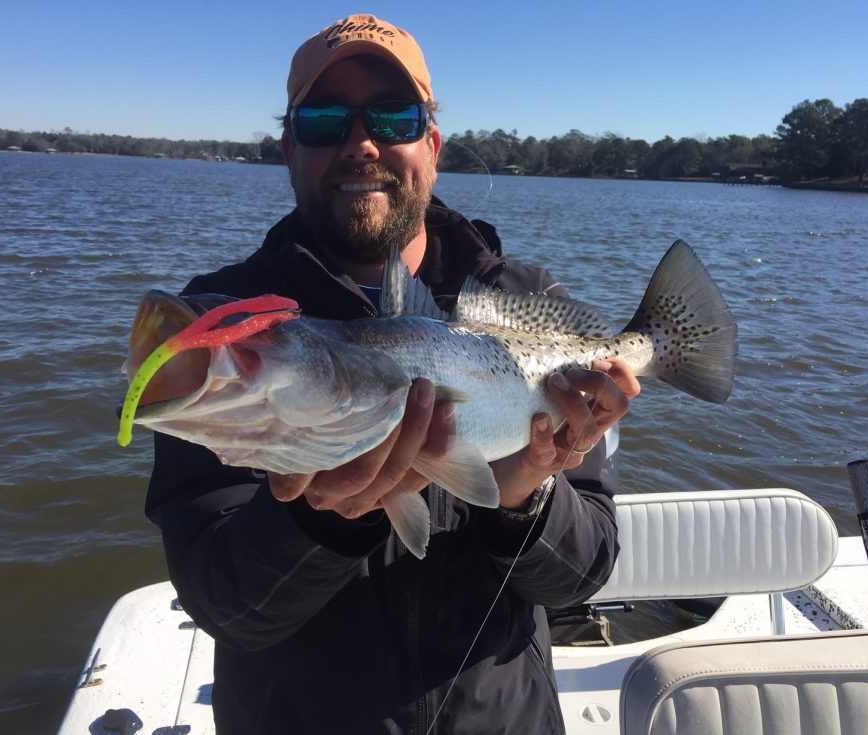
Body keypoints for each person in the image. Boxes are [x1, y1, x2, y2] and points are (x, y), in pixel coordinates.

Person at [145, 13, 639, 735]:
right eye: (323, 120)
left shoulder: (532, 305)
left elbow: (583, 574)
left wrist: (523, 496)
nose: (362, 143)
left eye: (393, 117)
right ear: (288, 148)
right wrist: (315, 517)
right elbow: (227, 606)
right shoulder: (226, 329)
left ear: (432, 147)